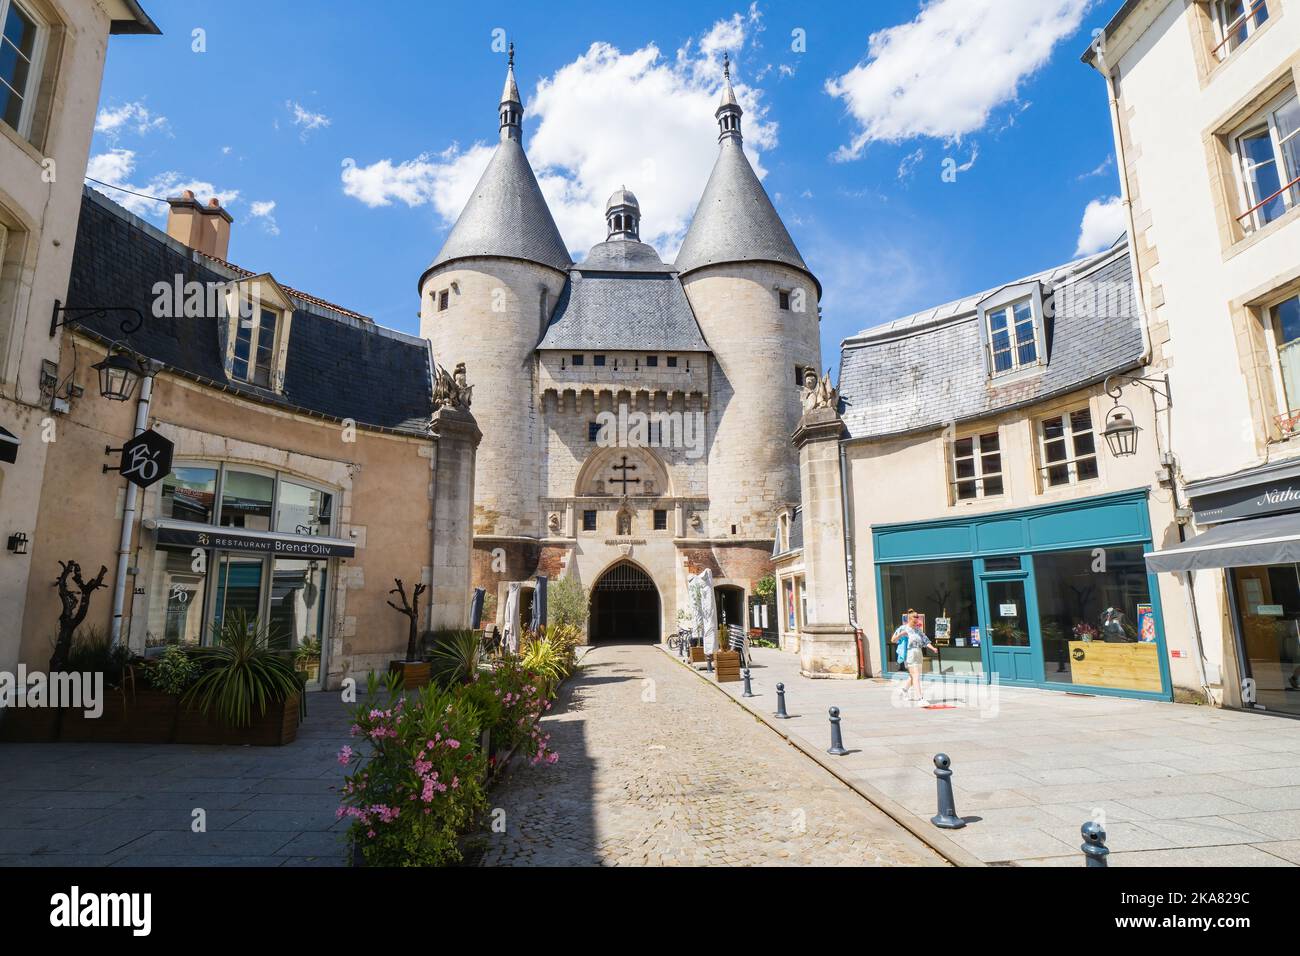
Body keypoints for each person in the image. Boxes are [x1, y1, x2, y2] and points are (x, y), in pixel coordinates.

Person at [890, 609, 936, 705]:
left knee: (913, 676)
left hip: (918, 653)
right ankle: (920, 699)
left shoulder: (918, 630)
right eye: (914, 621)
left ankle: (904, 690)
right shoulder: (903, 628)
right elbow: (893, 640)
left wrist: (933, 648)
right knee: (916, 676)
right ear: (909, 619)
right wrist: (901, 634)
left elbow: (925, 641)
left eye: (917, 621)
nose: (916, 622)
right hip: (910, 653)